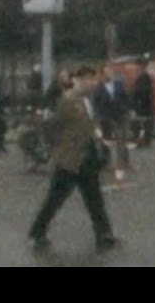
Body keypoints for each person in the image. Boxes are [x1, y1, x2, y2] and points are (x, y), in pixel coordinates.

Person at [27, 65, 119, 253]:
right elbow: (51, 125)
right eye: (90, 80)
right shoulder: (67, 101)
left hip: (87, 158)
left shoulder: (88, 102)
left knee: (95, 199)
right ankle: (38, 232)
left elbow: (89, 125)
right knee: (54, 199)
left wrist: (98, 137)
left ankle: (104, 233)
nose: (93, 83)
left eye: (94, 80)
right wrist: (58, 146)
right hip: (69, 161)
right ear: (79, 80)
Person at [132, 60, 155, 148]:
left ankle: (142, 141)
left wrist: (135, 100)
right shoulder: (144, 77)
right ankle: (143, 141)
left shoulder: (144, 78)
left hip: (143, 106)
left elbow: (142, 92)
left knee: (141, 125)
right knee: (143, 125)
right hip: (144, 106)